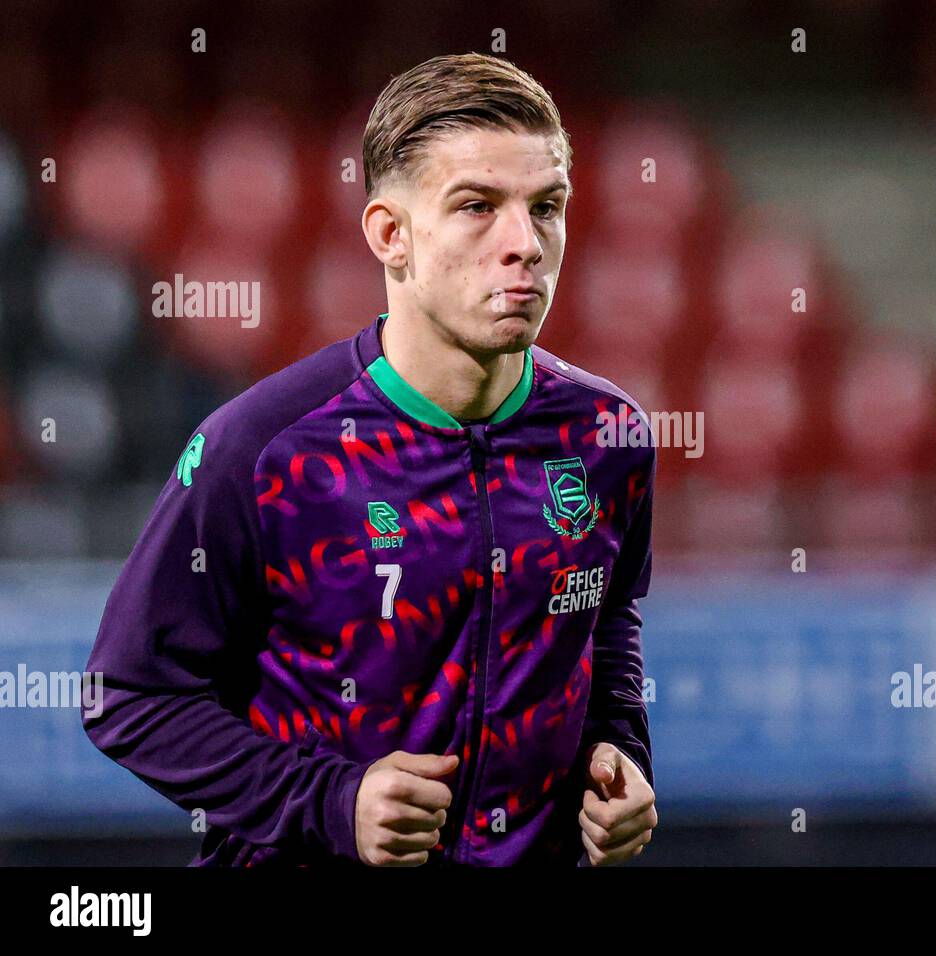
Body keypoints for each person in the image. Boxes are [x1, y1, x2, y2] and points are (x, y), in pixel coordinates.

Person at [82, 52, 657, 868]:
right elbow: (129, 697)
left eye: (548, 207)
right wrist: (329, 802)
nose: (525, 243)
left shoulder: (609, 436)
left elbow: (604, 629)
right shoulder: (261, 449)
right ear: (392, 235)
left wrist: (621, 752)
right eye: (477, 207)